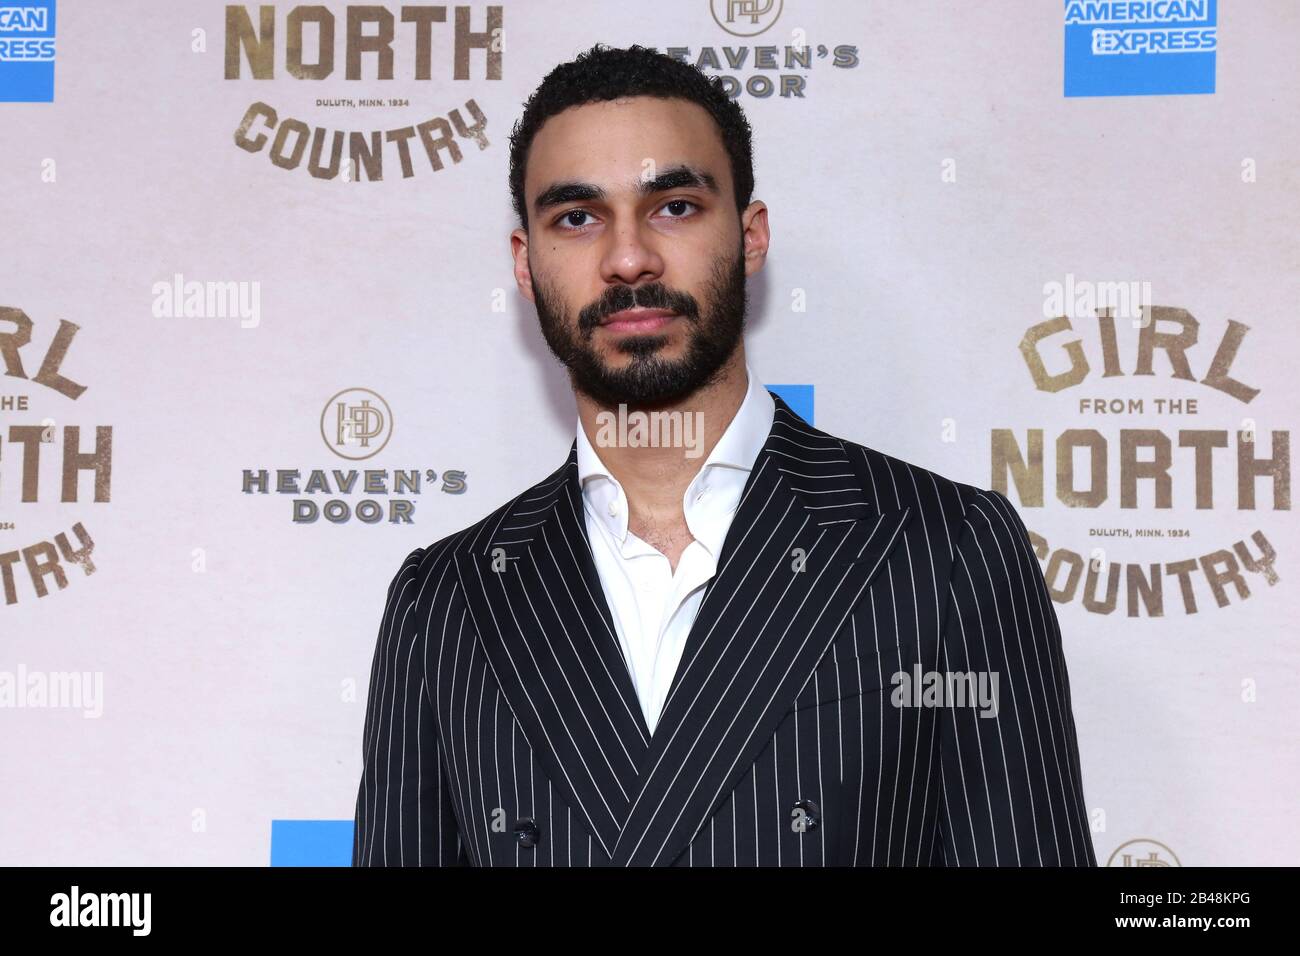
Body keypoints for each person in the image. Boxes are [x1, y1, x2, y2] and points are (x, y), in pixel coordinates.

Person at [351, 43, 1096, 867]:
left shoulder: (943, 549)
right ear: (526, 265)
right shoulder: (448, 603)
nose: (628, 258)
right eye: (577, 217)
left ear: (749, 237)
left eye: (673, 206)